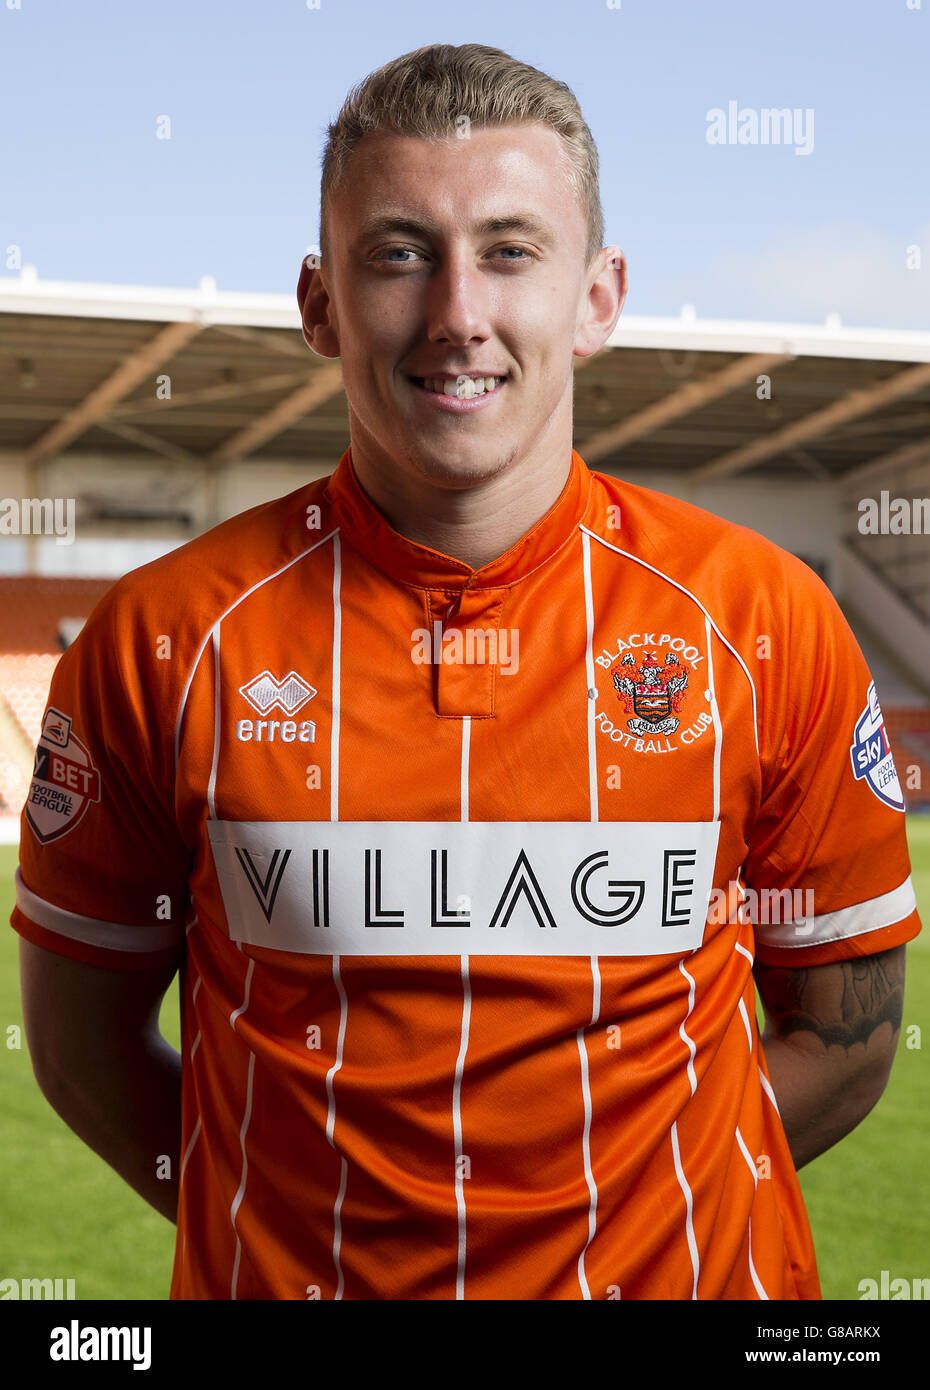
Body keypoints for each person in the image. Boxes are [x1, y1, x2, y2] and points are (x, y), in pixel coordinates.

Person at [12, 43, 921, 1301]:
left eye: (509, 249)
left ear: (598, 297)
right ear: (320, 302)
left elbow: (848, 1034)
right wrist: (274, 1206)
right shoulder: (162, 638)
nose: (456, 315)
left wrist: (643, 1202)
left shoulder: (765, 621)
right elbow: (81, 1046)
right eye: (397, 252)